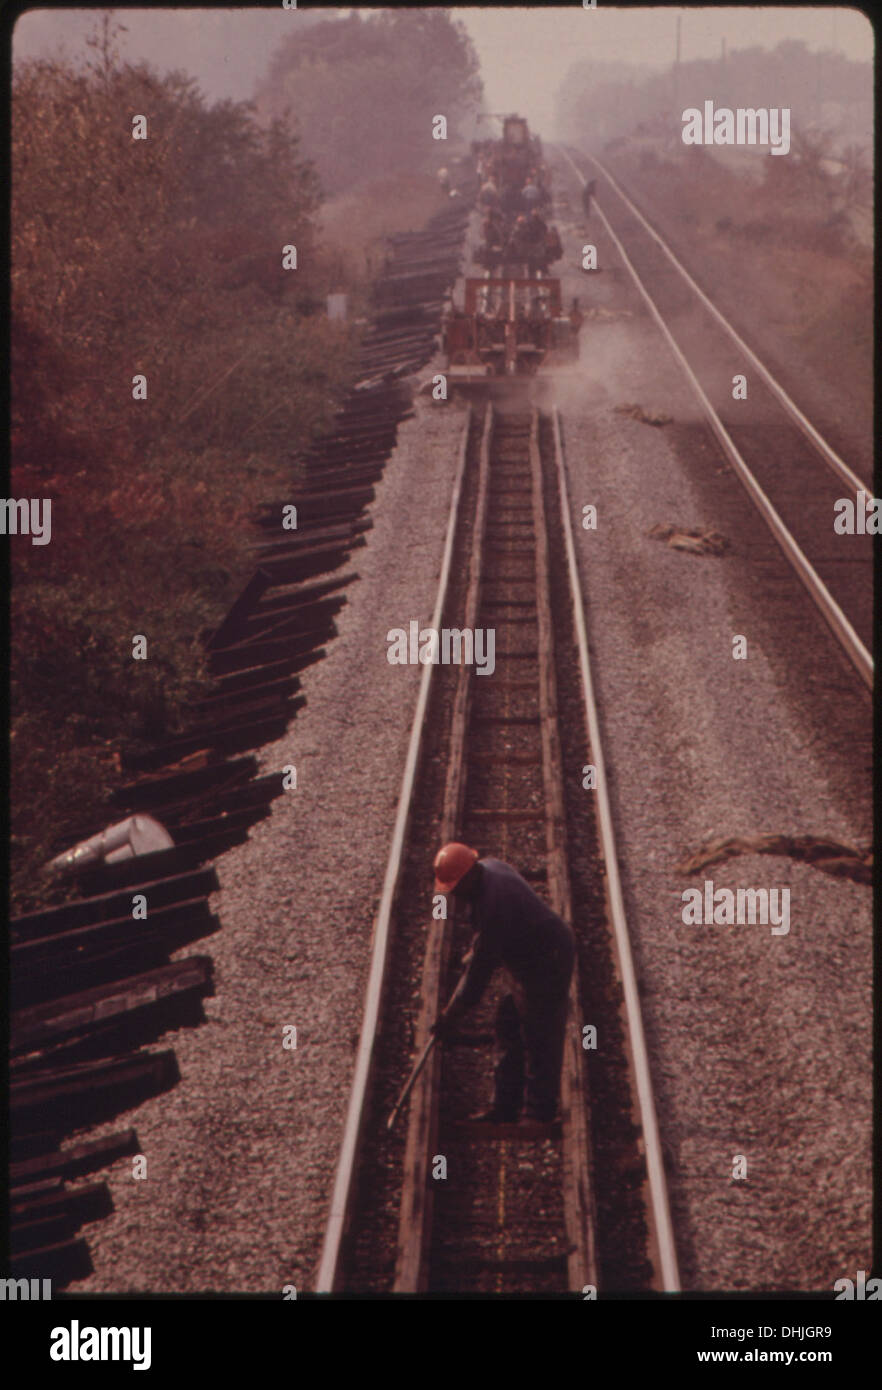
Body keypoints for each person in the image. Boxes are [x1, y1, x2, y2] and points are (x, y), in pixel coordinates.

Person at [431, 843, 575, 1125]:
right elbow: (490, 939)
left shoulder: (494, 902)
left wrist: (451, 1015)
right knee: (508, 1023)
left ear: (469, 875)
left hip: (549, 960)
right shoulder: (489, 867)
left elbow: (478, 976)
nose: (455, 894)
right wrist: (477, 949)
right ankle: (505, 1108)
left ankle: (539, 1113)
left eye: (456, 887)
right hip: (530, 958)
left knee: (539, 1033)